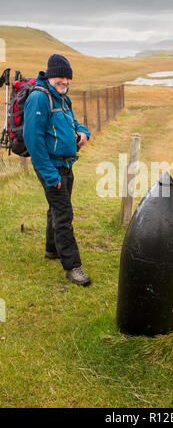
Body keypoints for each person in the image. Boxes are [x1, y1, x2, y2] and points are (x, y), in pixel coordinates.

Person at [24, 54, 91, 286]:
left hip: (66, 163)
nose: (65, 80)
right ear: (50, 76)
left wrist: (84, 133)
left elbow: (74, 122)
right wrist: (50, 173)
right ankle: (72, 266)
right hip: (50, 166)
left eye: (67, 77)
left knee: (56, 209)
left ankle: (52, 250)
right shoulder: (39, 98)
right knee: (64, 215)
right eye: (60, 76)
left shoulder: (62, 98)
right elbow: (33, 139)